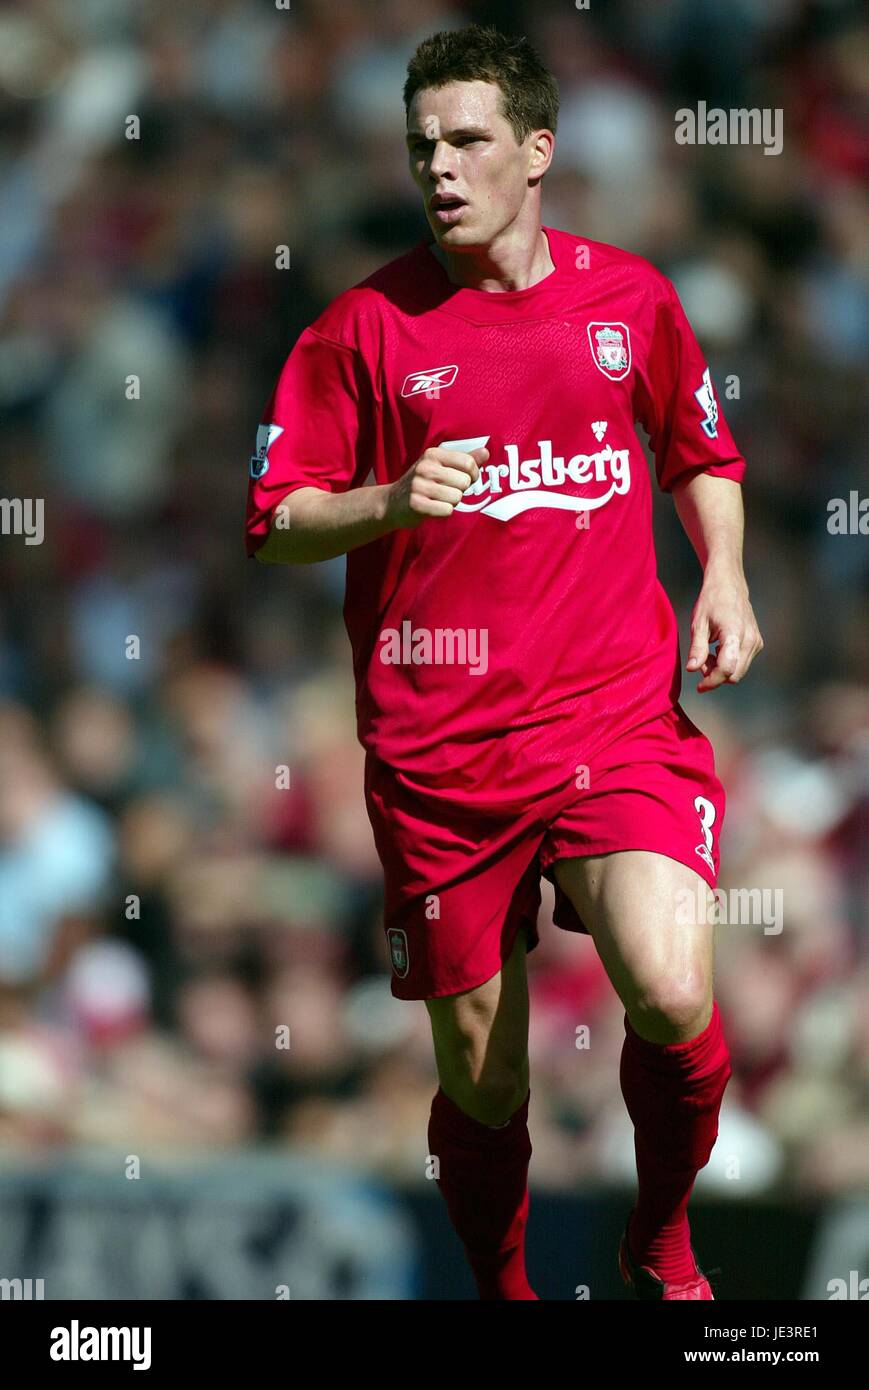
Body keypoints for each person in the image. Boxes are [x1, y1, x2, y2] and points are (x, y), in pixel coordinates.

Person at [245, 24, 764, 1300]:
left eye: (468, 139)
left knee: (667, 983)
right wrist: (389, 501)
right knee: (486, 1077)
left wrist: (728, 580)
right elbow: (275, 520)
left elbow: (700, 454)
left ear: (536, 151)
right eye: (421, 144)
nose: (439, 166)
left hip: (613, 719)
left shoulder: (627, 300)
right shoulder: (358, 330)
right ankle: (505, 1285)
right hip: (440, 756)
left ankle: (660, 1240)